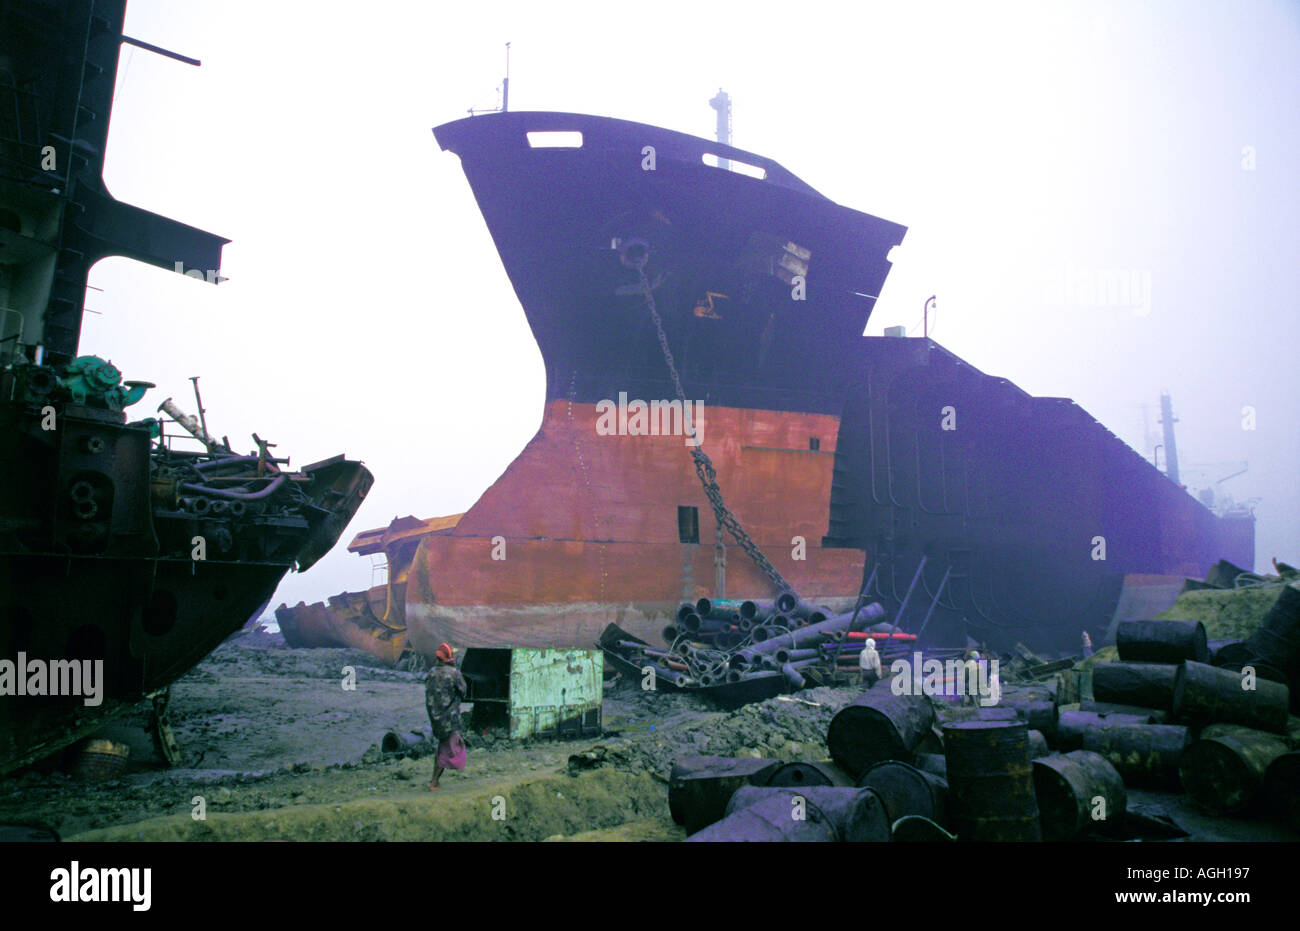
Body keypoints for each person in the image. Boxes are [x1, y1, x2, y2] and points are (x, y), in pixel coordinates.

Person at [425, 642, 468, 790]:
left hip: (435, 719)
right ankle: (434, 782)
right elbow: (464, 691)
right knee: (448, 749)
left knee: (442, 747)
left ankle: (435, 780)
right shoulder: (454, 673)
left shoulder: (431, 673)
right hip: (450, 719)